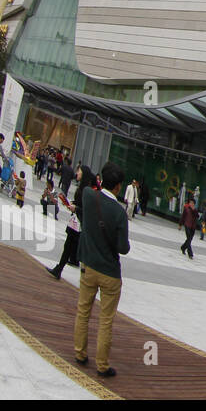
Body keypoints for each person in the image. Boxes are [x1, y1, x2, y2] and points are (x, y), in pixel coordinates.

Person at [73, 162, 131, 377]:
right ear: (118, 187)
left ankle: (80, 353)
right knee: (105, 320)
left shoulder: (88, 196)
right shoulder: (119, 213)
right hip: (109, 273)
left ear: (101, 180)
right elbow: (123, 248)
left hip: (88, 265)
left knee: (83, 311)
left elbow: (86, 182)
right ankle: (102, 365)